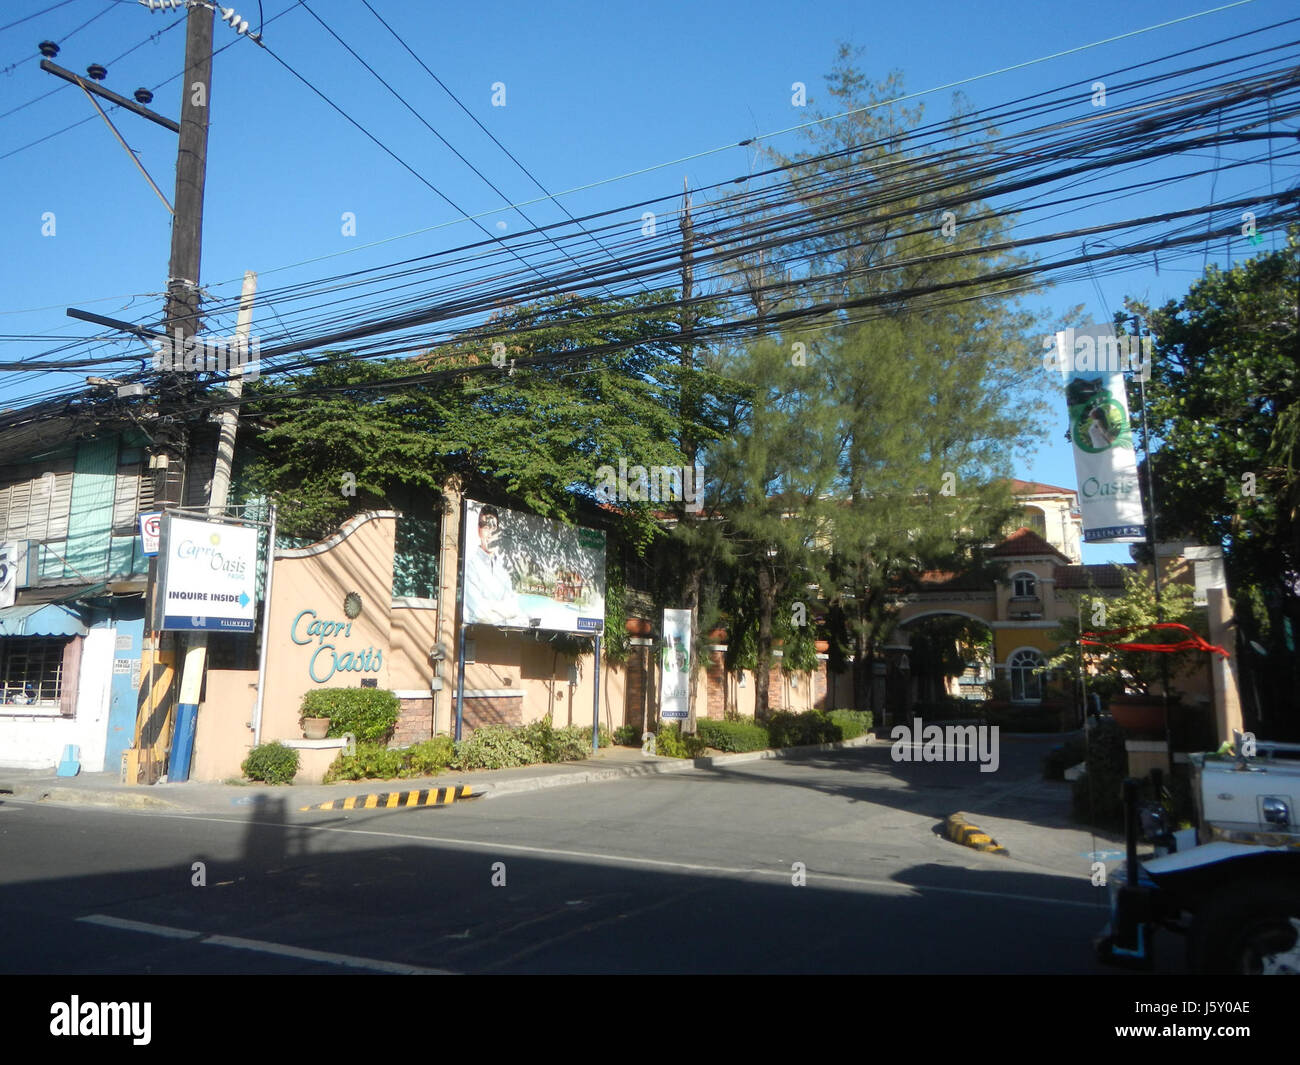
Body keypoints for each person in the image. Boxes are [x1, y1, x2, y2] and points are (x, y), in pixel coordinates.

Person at [463, 506, 525, 625]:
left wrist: (490, 606)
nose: (490, 533)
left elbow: (514, 609)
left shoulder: (503, 569)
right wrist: (503, 609)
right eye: (486, 527)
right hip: (477, 632)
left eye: (494, 527)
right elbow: (478, 612)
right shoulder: (470, 566)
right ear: (478, 530)